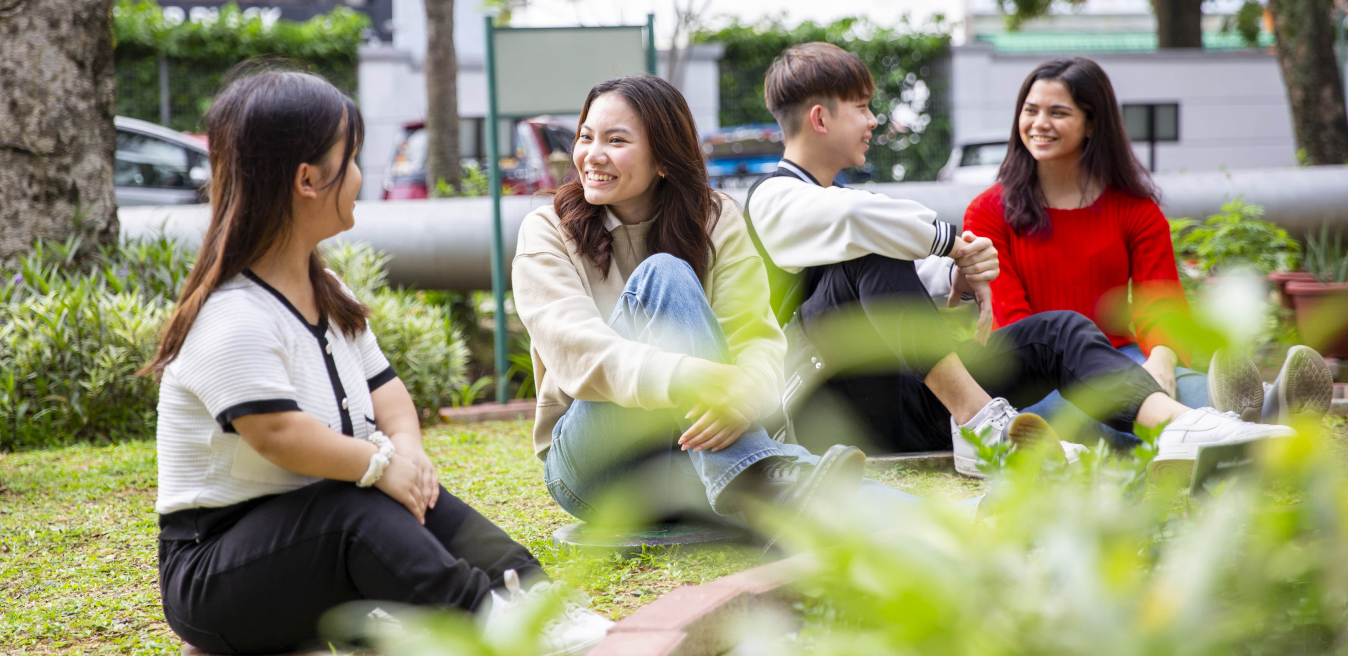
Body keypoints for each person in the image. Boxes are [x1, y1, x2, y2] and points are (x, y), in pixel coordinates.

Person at [148, 70, 611, 656]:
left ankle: (537, 599)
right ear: (308, 179)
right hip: (214, 575)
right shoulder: (232, 314)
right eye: (351, 159)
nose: (360, 176)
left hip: (308, 538)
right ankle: (488, 621)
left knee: (412, 495)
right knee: (357, 506)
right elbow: (278, 434)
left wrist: (408, 457)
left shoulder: (327, 291)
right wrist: (379, 465)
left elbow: (386, 391)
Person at [743, 42, 1296, 476]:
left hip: (908, 402)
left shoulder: (1131, 206)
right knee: (870, 253)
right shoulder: (774, 198)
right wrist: (951, 243)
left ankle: (1177, 428)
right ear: (821, 119)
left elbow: (903, 272)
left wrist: (956, 277)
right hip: (827, 409)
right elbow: (858, 221)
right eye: (863, 108)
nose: (873, 121)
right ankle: (981, 424)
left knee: (1060, 331)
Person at [512, 75, 916, 537]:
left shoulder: (715, 217)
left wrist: (746, 395)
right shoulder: (547, 230)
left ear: (664, 158)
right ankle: (749, 466)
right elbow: (578, 350)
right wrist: (697, 377)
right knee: (665, 274)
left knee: (809, 487)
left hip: (692, 452)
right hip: (596, 467)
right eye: (586, 137)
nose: (592, 155)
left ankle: (969, 517)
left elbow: (755, 337)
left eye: (616, 141)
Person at [963, 56, 1334, 439]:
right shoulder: (988, 212)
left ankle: (1266, 409)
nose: (1039, 123)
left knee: (1179, 387)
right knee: (1111, 409)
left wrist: (1161, 360)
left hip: (1120, 356)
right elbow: (1012, 322)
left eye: (1058, 112)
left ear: (1092, 124)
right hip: (1035, 376)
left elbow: (1161, 305)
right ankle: (1247, 429)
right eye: (1030, 110)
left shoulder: (1134, 209)